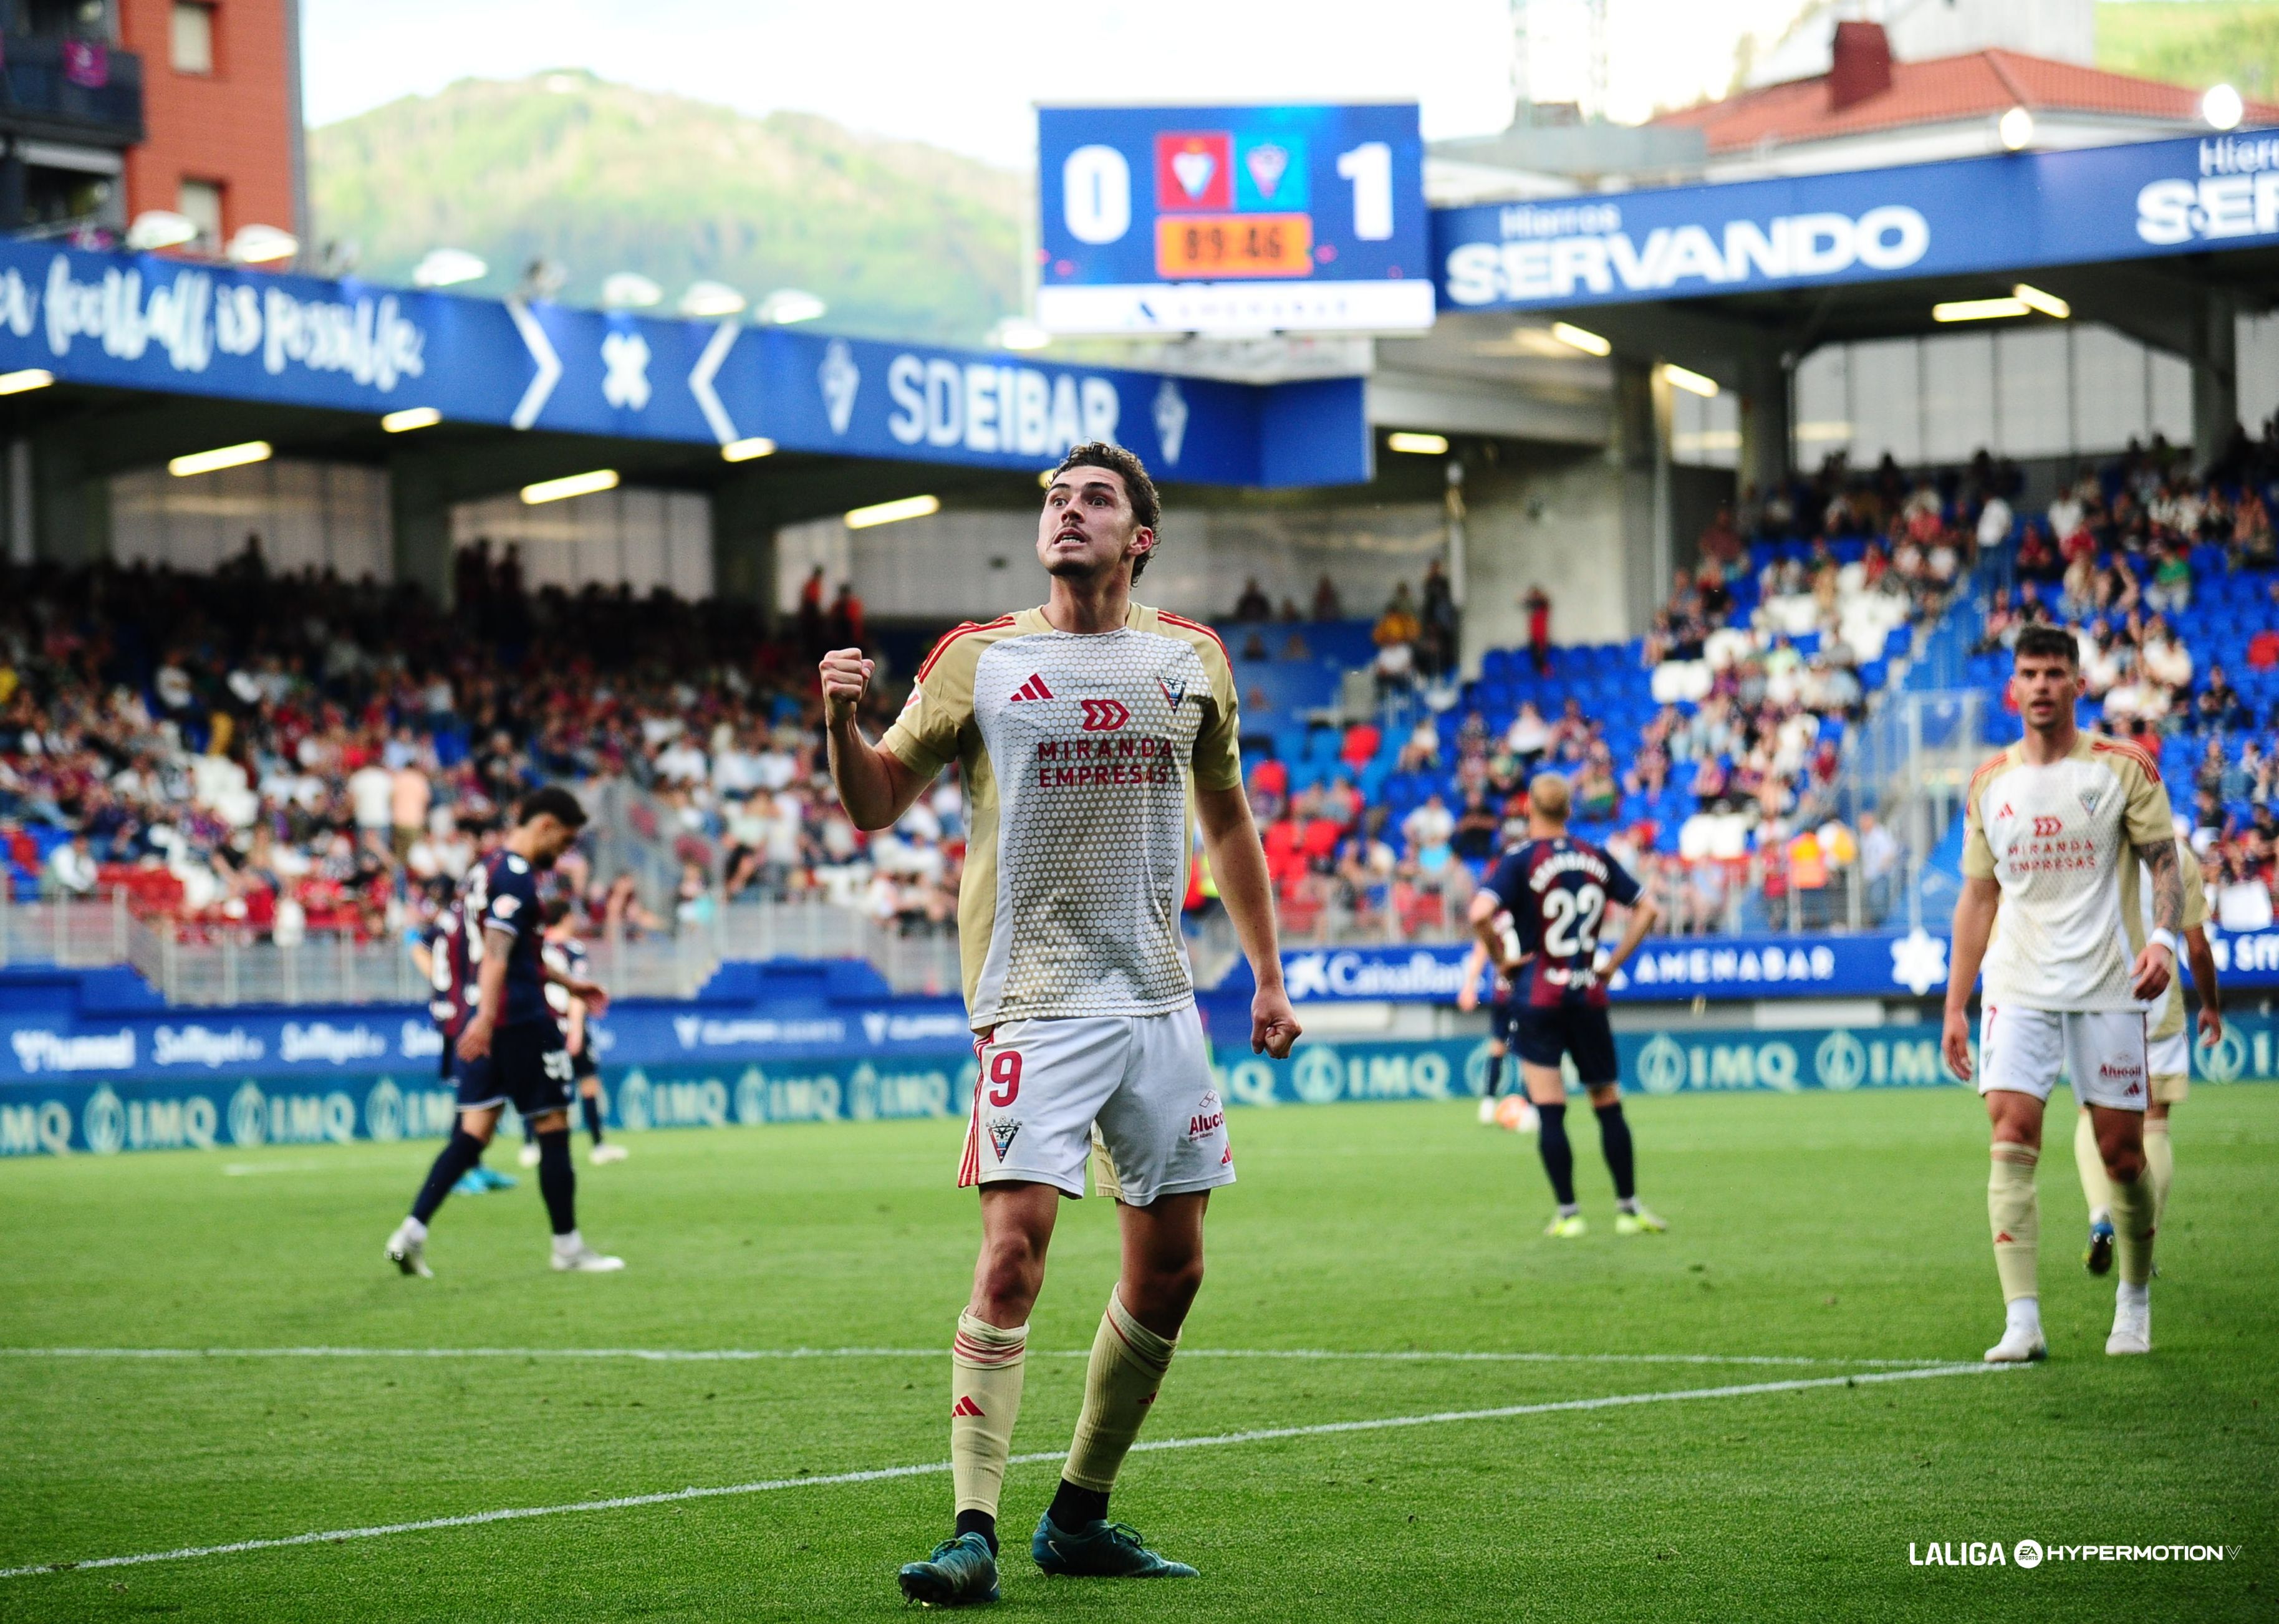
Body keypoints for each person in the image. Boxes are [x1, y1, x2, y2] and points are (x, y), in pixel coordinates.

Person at [819, 441, 1299, 1607]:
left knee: (1175, 1268)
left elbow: (1230, 824)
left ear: (1140, 537)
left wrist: (1268, 978)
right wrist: (839, 727)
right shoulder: (978, 661)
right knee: (1014, 1253)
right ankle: (971, 1530)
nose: (1066, 513)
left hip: (1161, 1003)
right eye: (1053, 500)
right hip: (1033, 1000)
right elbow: (878, 801)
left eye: (1093, 500)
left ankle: (1079, 1513)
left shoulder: (1189, 660)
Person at [1942, 625, 2181, 1363]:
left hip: (2106, 982)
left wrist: (2164, 942)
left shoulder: (2121, 767)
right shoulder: (1989, 782)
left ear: (2077, 683)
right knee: (2010, 1138)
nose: (2041, 685)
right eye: (2028, 673)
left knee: (2120, 1156)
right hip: (2016, 985)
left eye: (2054, 672)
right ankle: (2022, 1320)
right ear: (2012, 686)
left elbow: (2164, 864)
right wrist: (1954, 1003)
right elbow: (1977, 898)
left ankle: (2134, 1297)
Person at [385, 787, 622, 1279]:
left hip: (486, 1018)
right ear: (547, 825)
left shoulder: (483, 869)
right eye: (565, 840)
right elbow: (496, 952)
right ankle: (568, 1246)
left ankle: (410, 1233)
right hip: (516, 1020)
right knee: (553, 1125)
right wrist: (488, 1016)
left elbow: (518, 951)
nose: (564, 853)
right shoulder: (515, 874)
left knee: (472, 1135)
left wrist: (570, 983)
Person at [1466, 774, 1662, 1237]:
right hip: (1586, 992)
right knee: (1606, 1101)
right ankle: (1628, 1208)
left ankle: (1569, 1215)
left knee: (1550, 1109)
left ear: (1529, 809)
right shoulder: (1595, 856)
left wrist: (1502, 961)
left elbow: (1478, 914)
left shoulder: (1518, 861)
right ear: (1569, 809)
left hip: (1537, 995)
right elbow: (1648, 908)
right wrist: (1611, 964)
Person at [2075, 830, 2218, 1274]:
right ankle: (2144, 1242)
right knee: (2153, 1121)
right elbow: (2196, 945)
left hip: (2096, 996)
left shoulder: (2089, 847)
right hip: (2155, 1000)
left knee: (2090, 1114)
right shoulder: (2176, 858)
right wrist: (2211, 1005)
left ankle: (2101, 1215)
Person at [407, 886, 515, 1198]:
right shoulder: (471, 920)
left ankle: (474, 1164)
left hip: (451, 1012)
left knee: (474, 1093)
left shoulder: (445, 922)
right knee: (470, 1094)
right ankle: (461, 1170)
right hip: (463, 1015)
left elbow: (416, 946)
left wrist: (440, 984)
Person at [518, 898, 625, 1168]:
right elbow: (577, 991)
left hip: (538, 1024)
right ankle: (599, 1146)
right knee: (588, 1083)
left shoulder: (536, 946)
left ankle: (530, 1146)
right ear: (565, 917)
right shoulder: (573, 949)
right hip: (566, 1023)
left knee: (537, 1085)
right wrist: (577, 1029)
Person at [1455, 911, 1539, 1133]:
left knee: (1502, 1048)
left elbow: (1481, 950)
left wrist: (1470, 986)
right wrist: (1470, 986)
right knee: (1517, 1050)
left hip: (1511, 993)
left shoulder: (1498, 916)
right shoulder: (1523, 914)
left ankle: (1492, 1103)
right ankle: (1524, 1108)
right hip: (1521, 993)